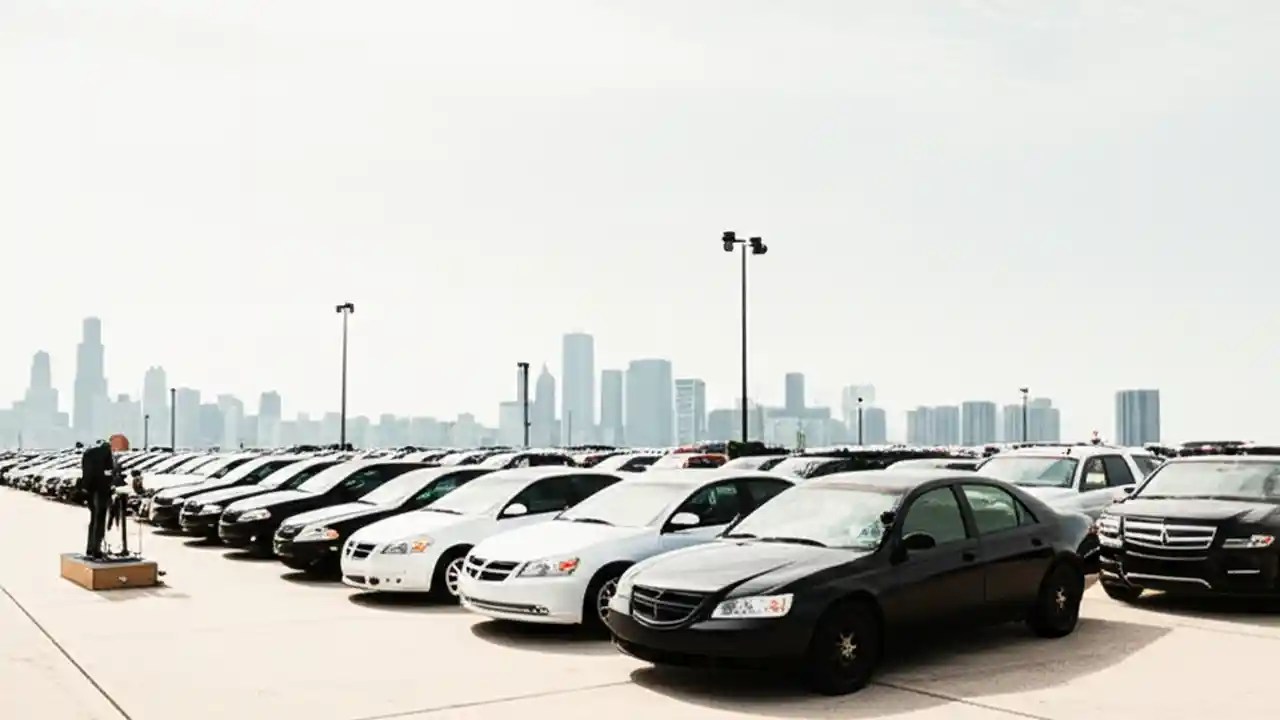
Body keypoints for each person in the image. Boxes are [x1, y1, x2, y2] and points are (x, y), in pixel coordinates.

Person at [83, 434, 129, 560]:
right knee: (100, 519)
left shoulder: (90, 452)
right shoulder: (105, 453)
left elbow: (88, 473)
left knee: (94, 519)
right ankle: (96, 549)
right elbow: (107, 471)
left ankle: (90, 547)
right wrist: (115, 477)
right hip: (101, 490)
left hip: (91, 490)